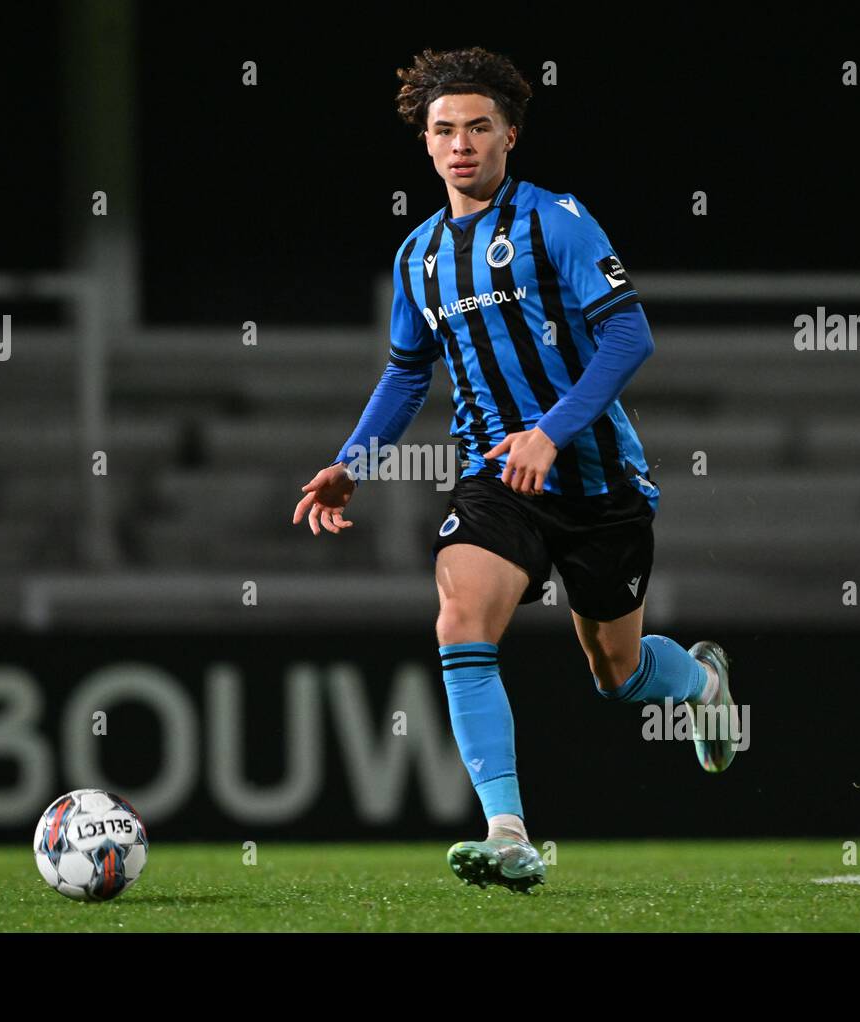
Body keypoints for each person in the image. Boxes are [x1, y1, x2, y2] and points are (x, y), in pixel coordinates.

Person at [294, 48, 737, 893]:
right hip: (496, 476)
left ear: (510, 137)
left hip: (600, 482)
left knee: (616, 673)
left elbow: (628, 336)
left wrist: (554, 431)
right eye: (444, 130)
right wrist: (351, 462)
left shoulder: (557, 221)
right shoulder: (418, 255)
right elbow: (405, 371)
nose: (461, 144)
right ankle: (507, 832)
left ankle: (704, 680)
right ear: (425, 145)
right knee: (460, 617)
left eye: (478, 128)